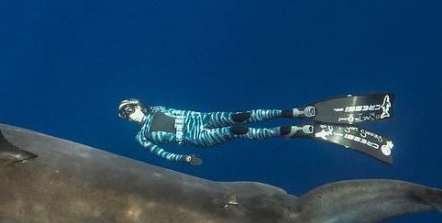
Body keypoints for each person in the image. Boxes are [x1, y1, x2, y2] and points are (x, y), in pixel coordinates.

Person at [116, 99, 315, 166]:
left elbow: (181, 112)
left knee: (240, 116)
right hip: (196, 137)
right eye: (125, 115)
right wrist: (184, 158)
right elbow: (162, 153)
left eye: (129, 109)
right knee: (237, 130)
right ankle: (288, 131)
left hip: (202, 118)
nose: (129, 115)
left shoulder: (158, 108)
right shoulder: (141, 137)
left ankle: (293, 112)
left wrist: (204, 116)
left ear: (139, 105)